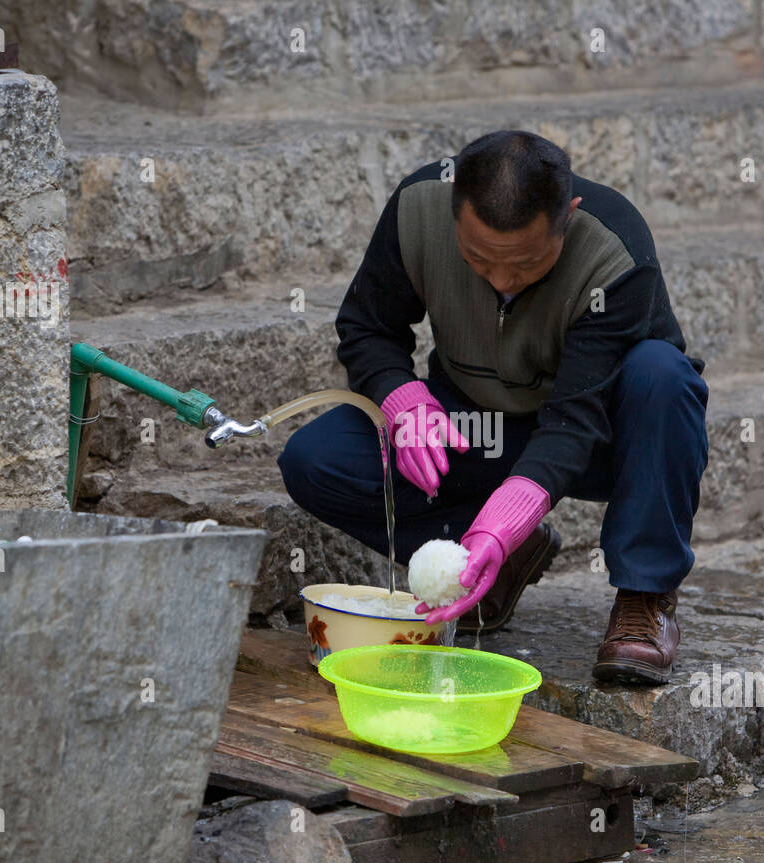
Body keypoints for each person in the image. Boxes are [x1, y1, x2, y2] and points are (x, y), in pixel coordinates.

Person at [277, 130, 708, 686]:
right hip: (470, 427)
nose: (502, 280)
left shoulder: (613, 249)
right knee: (316, 459)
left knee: (663, 376)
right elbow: (367, 327)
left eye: (526, 263)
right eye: (478, 258)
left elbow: (574, 420)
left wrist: (504, 519)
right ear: (455, 213)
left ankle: (645, 599)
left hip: (598, 433)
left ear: (567, 216)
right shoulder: (419, 208)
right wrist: (403, 402)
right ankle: (494, 561)